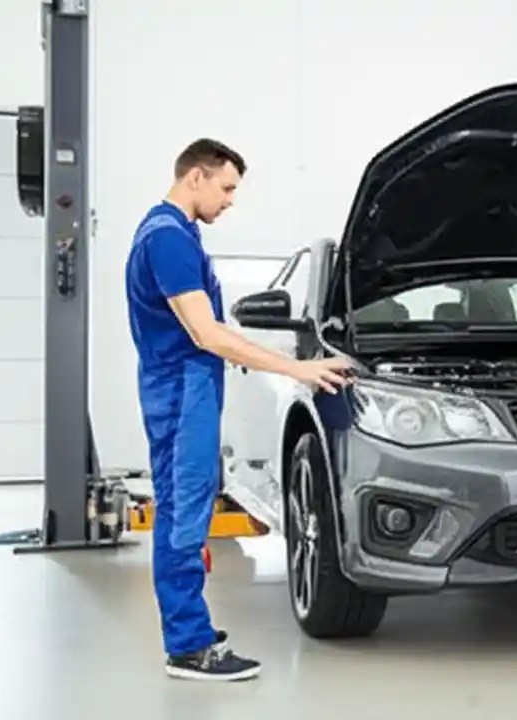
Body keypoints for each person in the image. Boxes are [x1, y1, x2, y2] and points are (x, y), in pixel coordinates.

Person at [125, 138, 353, 681]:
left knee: (186, 507)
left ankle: (190, 630)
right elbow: (206, 333)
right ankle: (188, 646)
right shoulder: (169, 240)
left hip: (182, 386)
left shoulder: (172, 233)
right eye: (226, 188)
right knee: (185, 515)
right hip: (183, 390)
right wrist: (297, 368)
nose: (230, 200)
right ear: (194, 178)